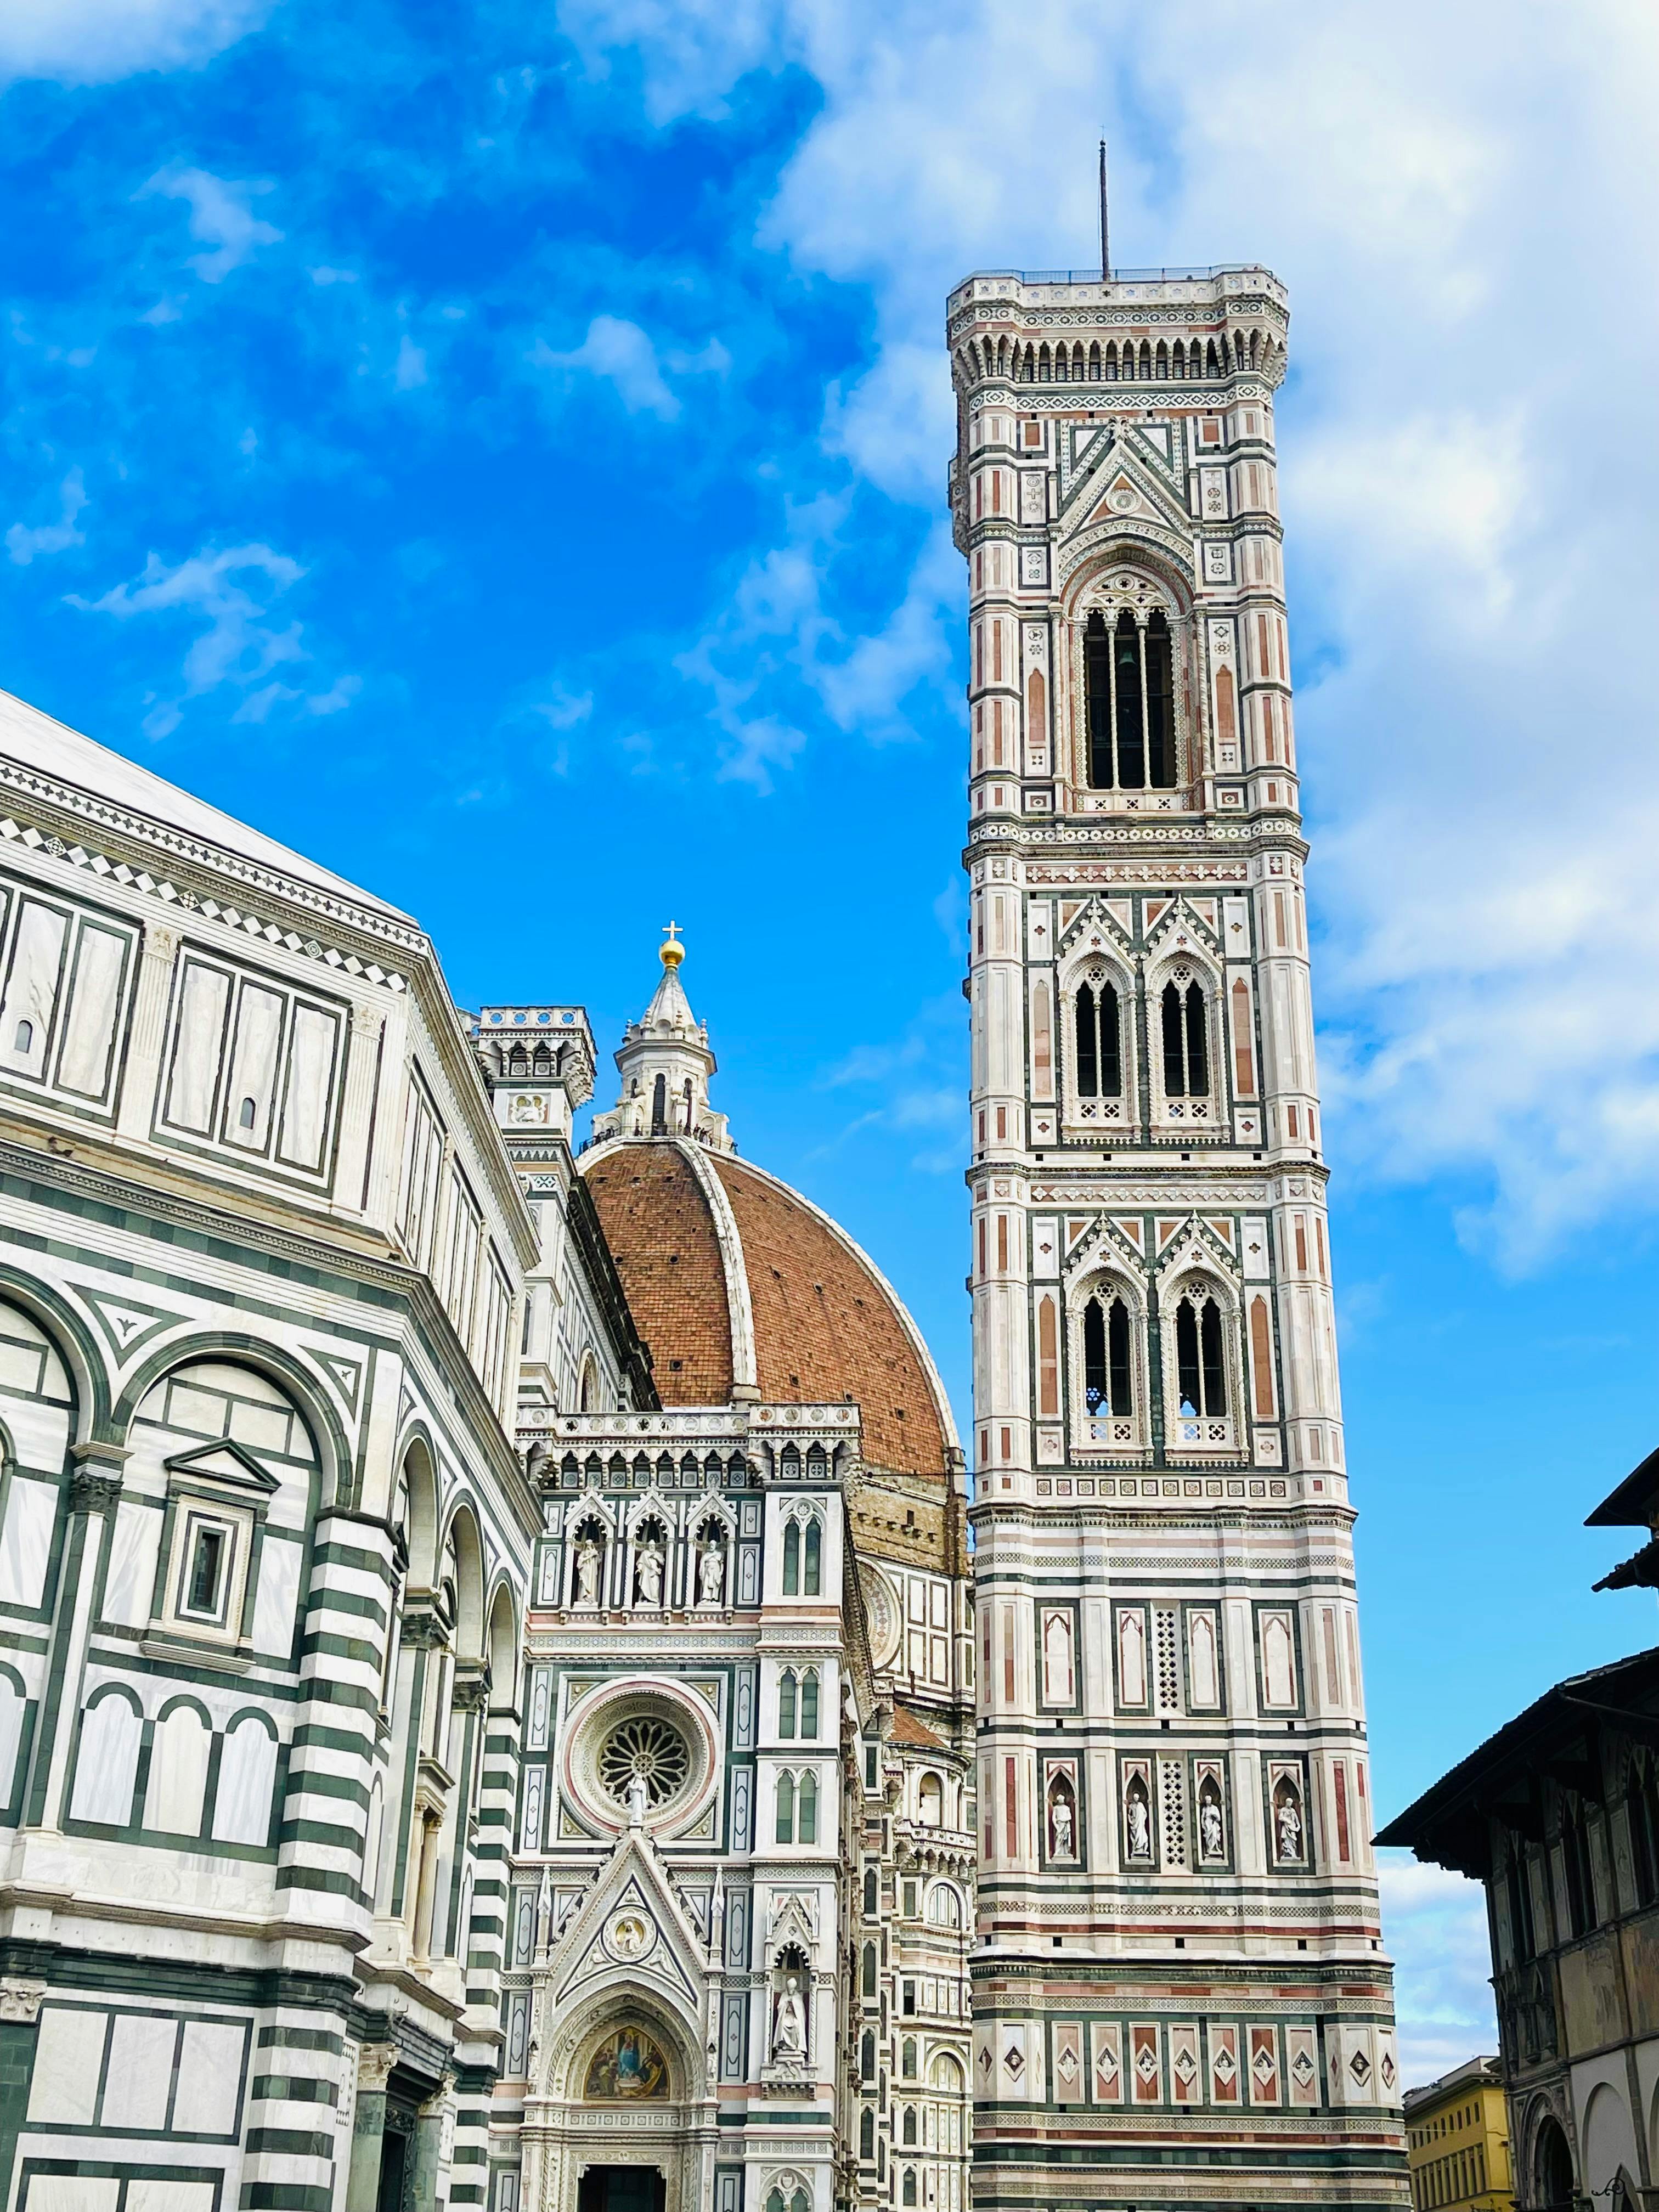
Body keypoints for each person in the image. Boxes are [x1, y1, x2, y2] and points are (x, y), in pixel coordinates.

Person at [772, 1976, 806, 2058]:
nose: (790, 1991)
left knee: (797, 2025)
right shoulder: (784, 1995)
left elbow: (801, 2011)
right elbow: (780, 2007)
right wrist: (786, 2004)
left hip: (794, 2016)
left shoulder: (797, 1996)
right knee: (783, 2024)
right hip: (786, 2015)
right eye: (789, 1989)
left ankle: (795, 2046)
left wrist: (794, 2004)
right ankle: (784, 2045)